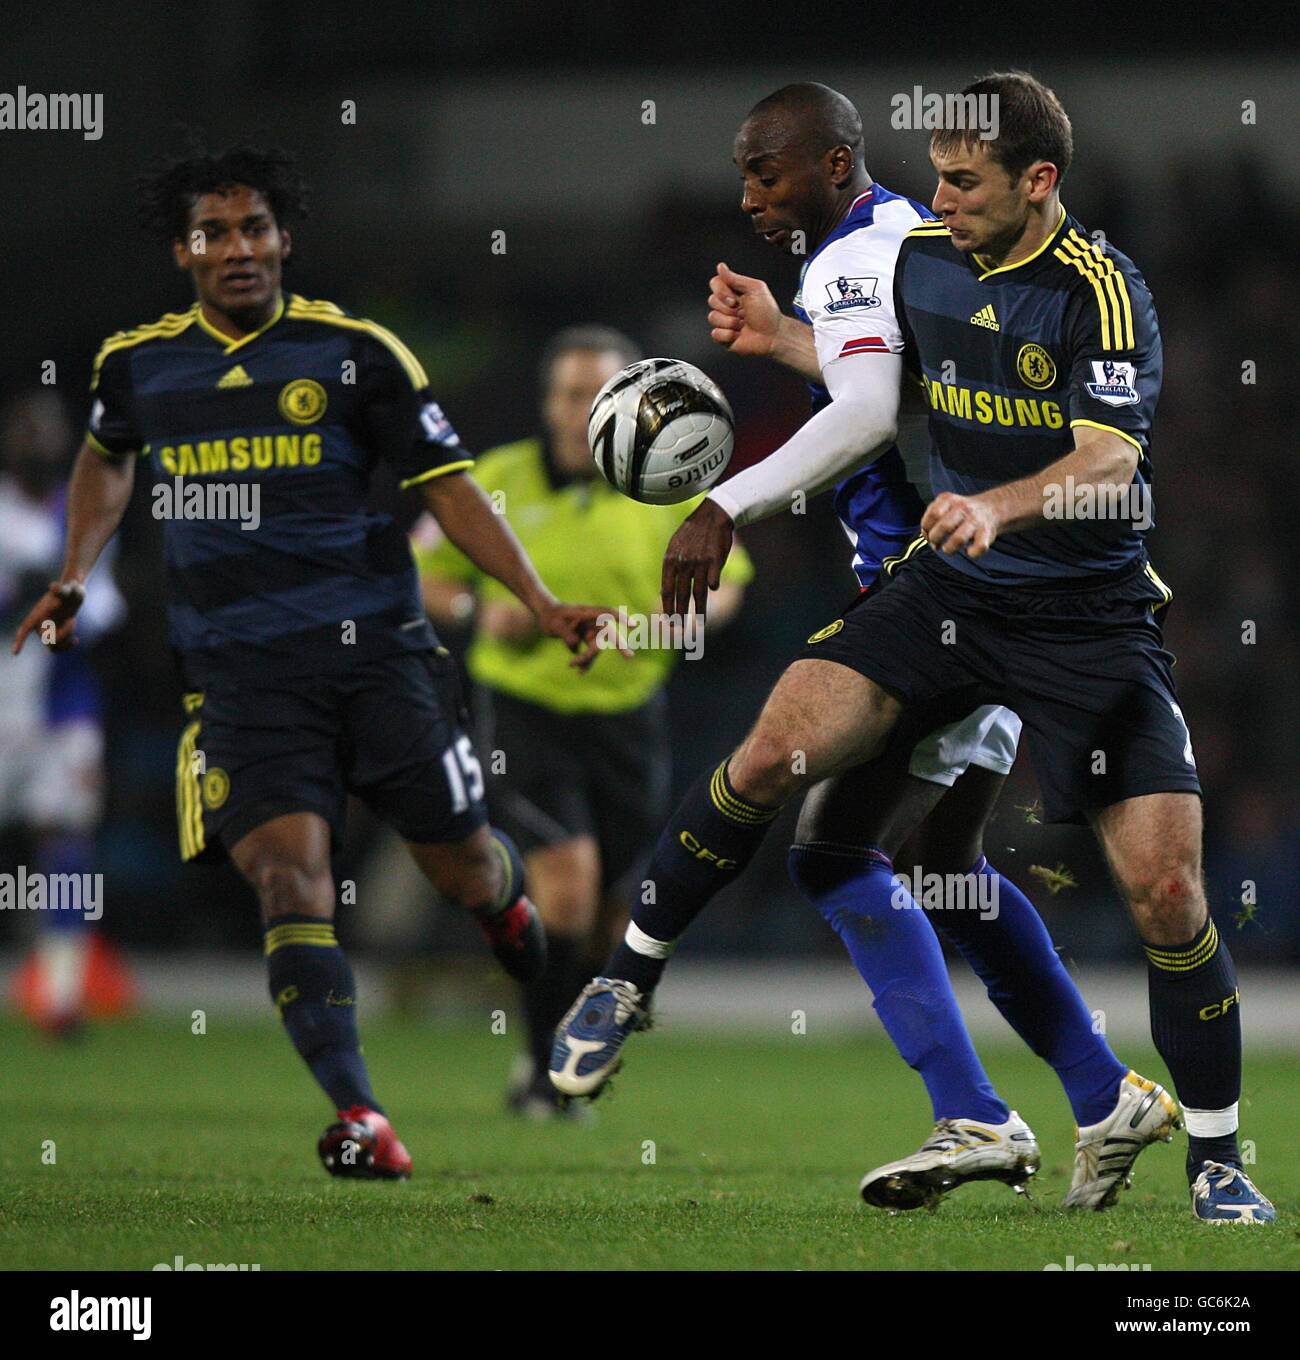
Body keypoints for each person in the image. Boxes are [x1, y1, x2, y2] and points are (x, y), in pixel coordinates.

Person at [552, 77, 1274, 1224]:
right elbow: (877, 391)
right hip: (946, 592)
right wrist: (787, 336)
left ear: (1040, 181)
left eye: (963, 179)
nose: (934, 196)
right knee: (775, 755)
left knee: (1167, 889)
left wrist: (997, 505)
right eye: (933, 174)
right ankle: (626, 975)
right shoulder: (920, 255)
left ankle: (1215, 1159)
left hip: (1085, 613)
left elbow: (1108, 464)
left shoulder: (1102, 289)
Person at [13, 145, 615, 1182]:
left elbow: (450, 490)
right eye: (216, 232)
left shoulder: (358, 354)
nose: (238, 249)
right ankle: (361, 1113)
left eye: (255, 229)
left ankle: (527, 958)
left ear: (284, 239)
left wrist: (538, 599)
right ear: (183, 249)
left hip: (380, 658)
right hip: (243, 677)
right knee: (292, 878)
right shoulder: (137, 363)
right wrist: (76, 568)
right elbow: (106, 456)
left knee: (465, 865)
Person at [417, 325, 752, 1118]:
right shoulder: (492, 481)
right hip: (525, 712)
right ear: (548, 403)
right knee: (564, 886)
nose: (580, 411)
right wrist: (475, 611)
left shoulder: (667, 485)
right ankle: (544, 1072)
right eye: (570, 394)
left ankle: (563, 1055)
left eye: (598, 394)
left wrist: (681, 623)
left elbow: (729, 583)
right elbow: (423, 573)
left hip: (630, 717)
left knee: (609, 911)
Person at [0, 390, 133, 1035]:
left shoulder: (79, 517)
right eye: (27, 430)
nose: (39, 444)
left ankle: (60, 991)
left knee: (67, 838)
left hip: (61, 710)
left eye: (51, 434)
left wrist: (58, 613)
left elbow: (103, 614)